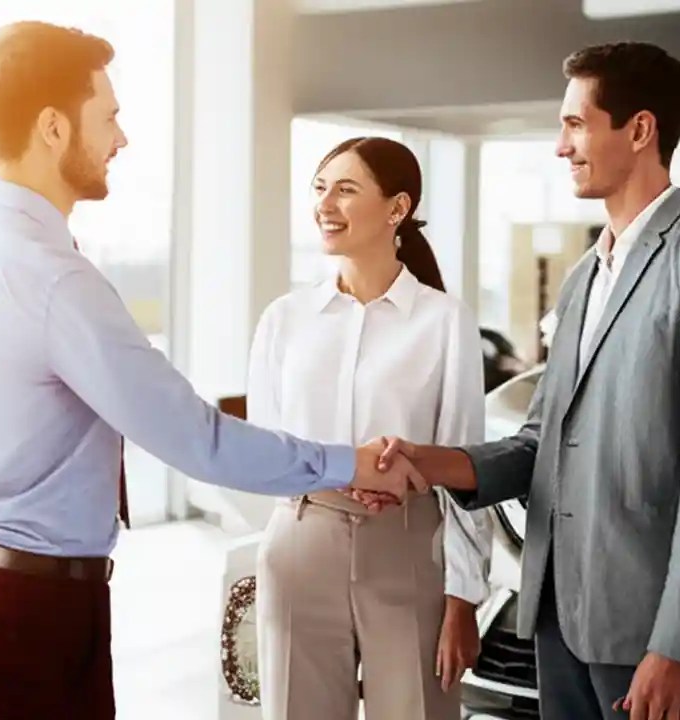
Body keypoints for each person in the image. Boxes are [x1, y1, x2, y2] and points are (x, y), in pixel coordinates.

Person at [0, 22, 424, 720]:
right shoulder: (54, 279)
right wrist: (349, 464)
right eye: (108, 117)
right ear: (53, 129)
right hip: (26, 610)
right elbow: (196, 439)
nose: (121, 139)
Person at [374, 42, 680, 720]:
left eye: (576, 124)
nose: (561, 147)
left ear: (639, 130)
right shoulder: (586, 275)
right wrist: (428, 462)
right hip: (558, 610)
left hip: (647, 624)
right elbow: (543, 442)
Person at [247, 137, 493, 720]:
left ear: (397, 208)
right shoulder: (284, 319)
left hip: (408, 545)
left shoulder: (444, 320)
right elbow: (263, 450)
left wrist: (464, 595)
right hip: (303, 540)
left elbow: (466, 465)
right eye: (319, 188)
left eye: (346, 189)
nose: (325, 204)